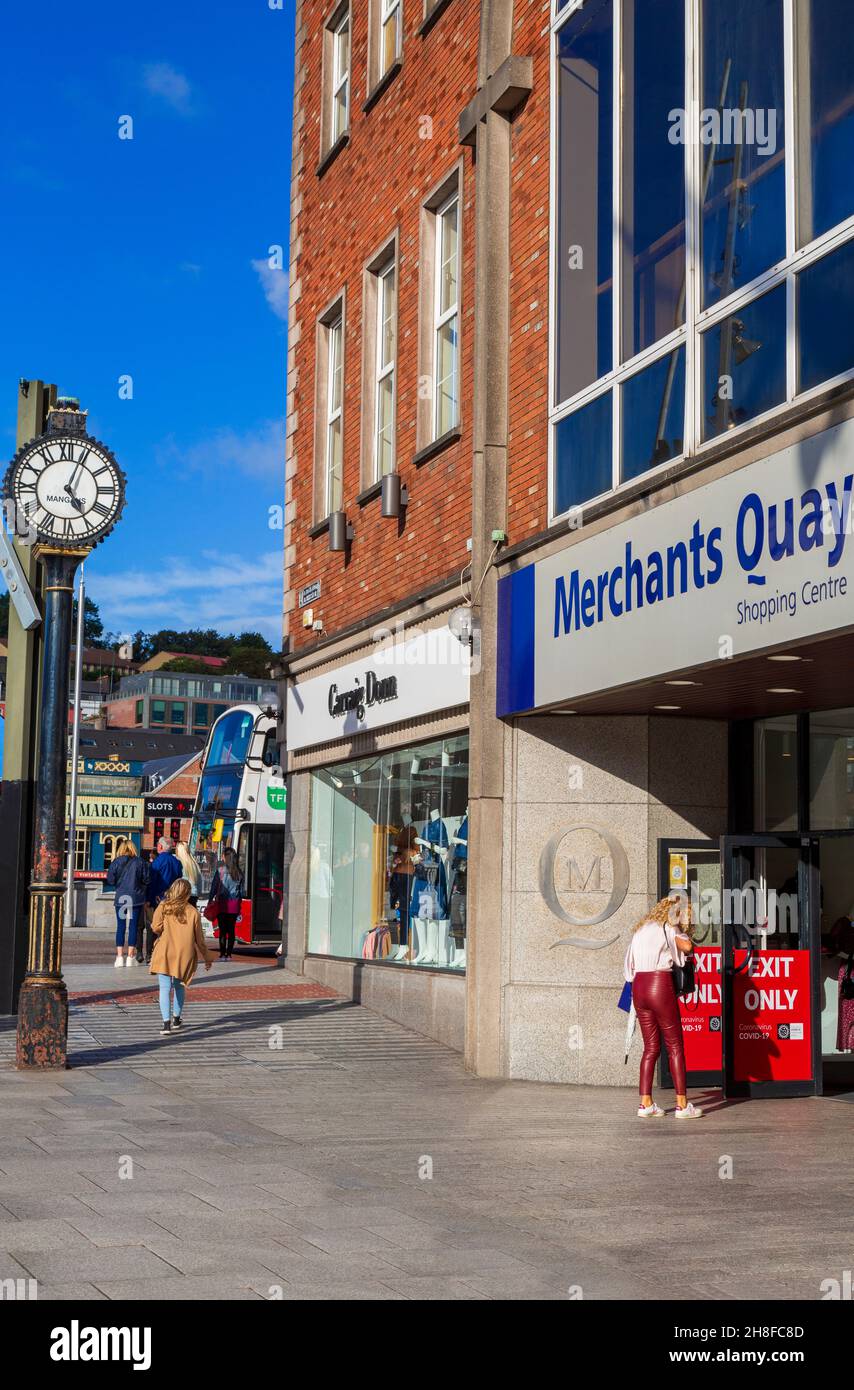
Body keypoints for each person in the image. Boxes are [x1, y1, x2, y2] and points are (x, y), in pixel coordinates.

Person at [624, 891, 703, 1119]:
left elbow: (628, 966)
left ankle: (645, 1103)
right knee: (675, 1045)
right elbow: (687, 949)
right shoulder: (669, 927)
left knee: (650, 1047)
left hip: (639, 987)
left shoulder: (641, 929)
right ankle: (682, 1105)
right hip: (660, 984)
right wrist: (684, 934)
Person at [149, 878, 213, 1036]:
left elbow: (155, 927)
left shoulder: (164, 906)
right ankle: (176, 1018)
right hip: (184, 954)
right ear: (188, 893)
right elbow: (199, 939)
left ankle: (166, 1024)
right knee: (179, 985)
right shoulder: (193, 912)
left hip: (165, 951)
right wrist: (207, 957)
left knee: (164, 988)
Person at [105, 841, 149, 967]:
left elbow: (110, 880)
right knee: (133, 927)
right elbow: (147, 879)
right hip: (135, 898)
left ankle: (119, 957)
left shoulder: (116, 862)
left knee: (121, 927)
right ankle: (130, 957)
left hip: (121, 898)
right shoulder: (140, 862)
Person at [143, 837, 183, 963]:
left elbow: (152, 882)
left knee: (153, 926)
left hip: (157, 899)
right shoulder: (177, 862)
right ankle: (168, 952)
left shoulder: (157, 862)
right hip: (172, 898)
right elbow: (179, 880)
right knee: (169, 927)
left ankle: (151, 953)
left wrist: (148, 899)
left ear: (160, 847)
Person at [208, 848, 243, 960]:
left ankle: (222, 954)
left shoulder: (220, 870)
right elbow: (241, 890)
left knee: (222, 930)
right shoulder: (239, 872)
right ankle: (229, 954)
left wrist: (210, 899)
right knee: (231, 930)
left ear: (225, 857)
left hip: (222, 903)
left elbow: (214, 887)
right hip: (234, 903)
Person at [175, 840, 202, 906]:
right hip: (194, 895)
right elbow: (199, 882)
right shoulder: (194, 864)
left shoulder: (178, 864)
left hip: (182, 896)